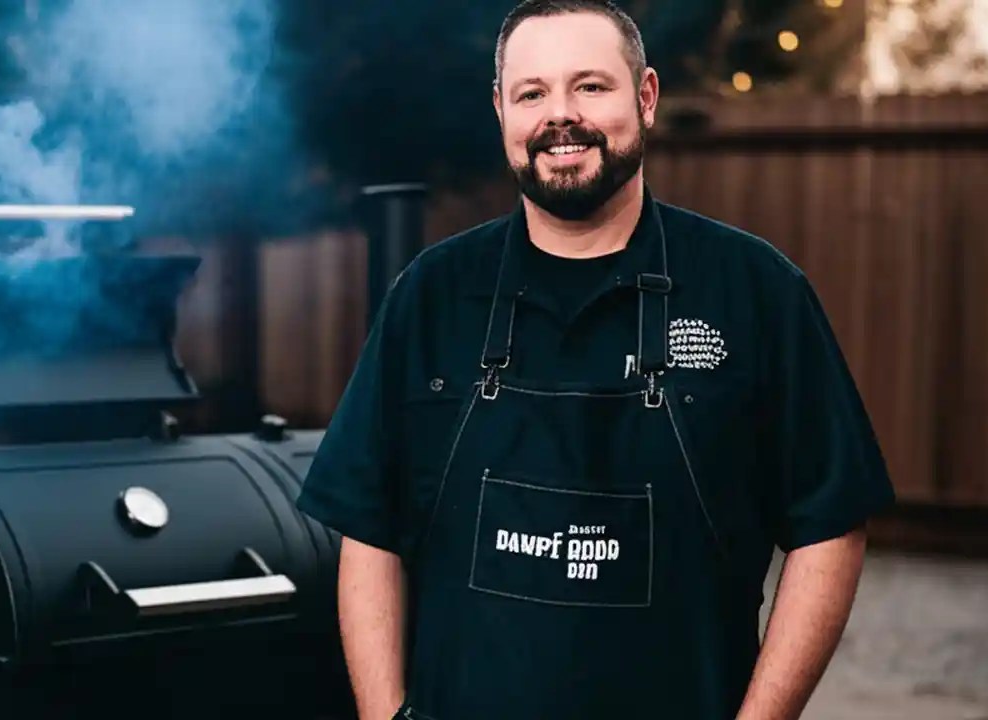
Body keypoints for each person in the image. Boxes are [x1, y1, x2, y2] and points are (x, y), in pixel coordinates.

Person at [296, 1, 897, 718]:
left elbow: (829, 527)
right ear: (501, 110)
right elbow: (368, 530)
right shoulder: (431, 294)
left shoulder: (755, 290)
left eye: (590, 86)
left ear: (645, 97)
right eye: (532, 93)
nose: (561, 114)